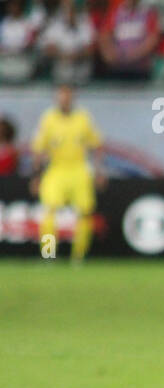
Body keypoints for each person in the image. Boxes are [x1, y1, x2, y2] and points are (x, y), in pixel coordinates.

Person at [30, 85, 104, 261]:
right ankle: (48, 254)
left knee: (85, 212)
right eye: (61, 96)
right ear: (57, 98)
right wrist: (36, 176)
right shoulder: (48, 119)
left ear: (72, 98)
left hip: (79, 169)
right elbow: (39, 150)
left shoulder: (83, 118)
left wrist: (100, 171)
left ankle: (78, 257)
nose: (64, 100)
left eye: (67, 96)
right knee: (49, 211)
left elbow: (96, 145)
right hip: (57, 169)